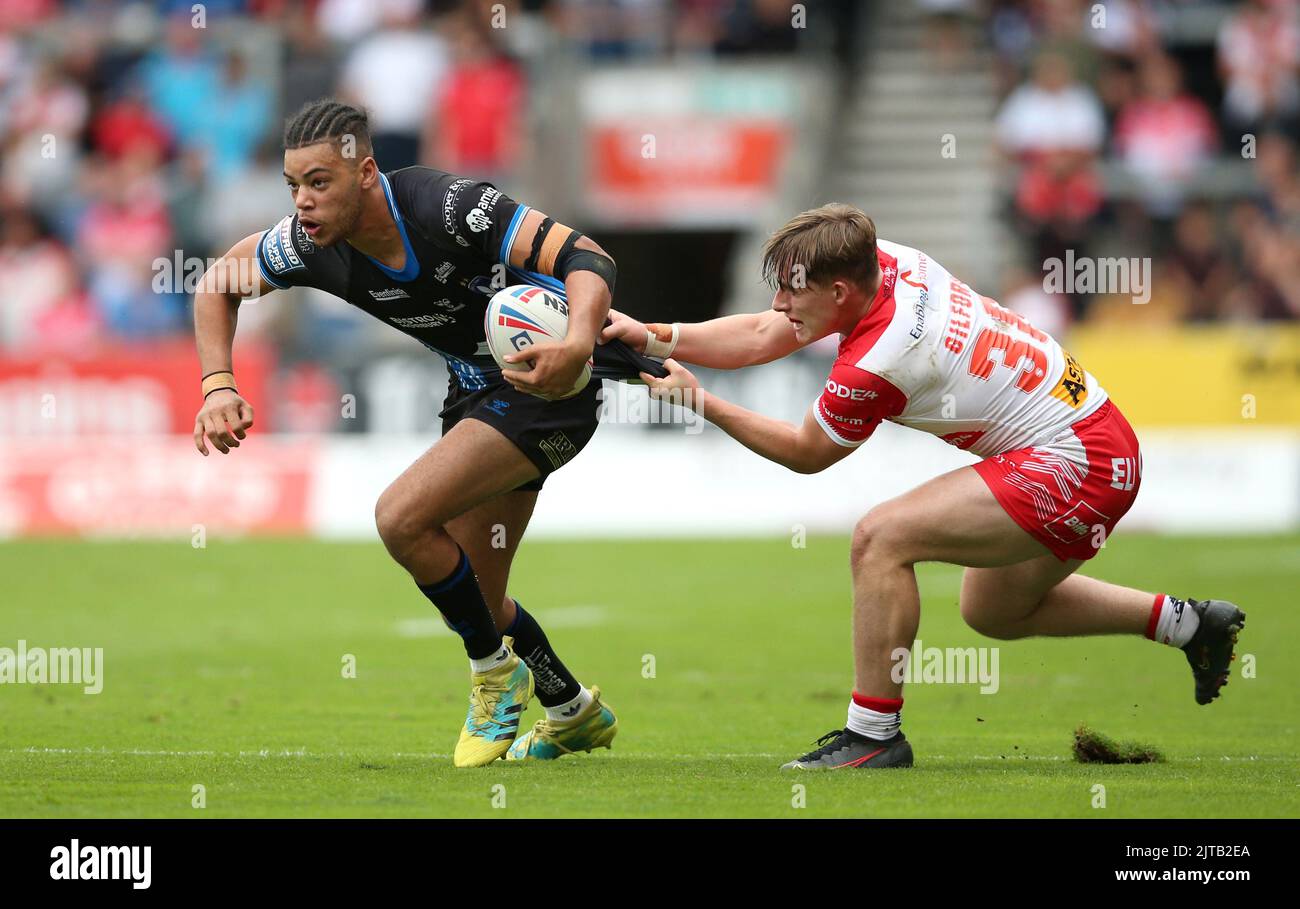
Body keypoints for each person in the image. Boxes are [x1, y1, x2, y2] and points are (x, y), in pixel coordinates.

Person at [603, 203, 1246, 770]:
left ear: (838, 289)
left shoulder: (882, 357)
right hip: (1102, 437)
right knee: (991, 611)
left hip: (1074, 461)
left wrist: (700, 404)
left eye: (791, 291)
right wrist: (656, 335)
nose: (779, 303)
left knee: (880, 539)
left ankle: (874, 735)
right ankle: (1189, 625)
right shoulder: (888, 262)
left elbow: (805, 453)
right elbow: (769, 331)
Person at [192, 99, 656, 767]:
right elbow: (216, 285)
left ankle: (494, 675)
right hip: (474, 391)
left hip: (549, 389)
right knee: (475, 594)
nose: (302, 202)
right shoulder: (305, 245)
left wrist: (578, 339)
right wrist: (218, 384)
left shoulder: (448, 207)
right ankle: (570, 710)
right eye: (293, 186)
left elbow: (587, 256)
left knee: (400, 518)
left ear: (367, 173)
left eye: (319, 182)